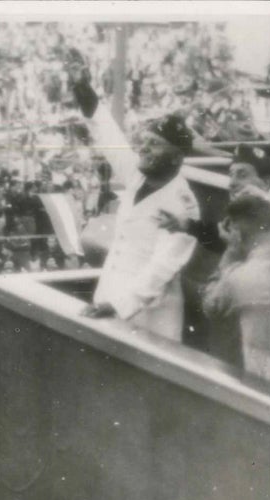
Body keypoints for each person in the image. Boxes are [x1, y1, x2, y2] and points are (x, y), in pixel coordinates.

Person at [69, 50, 200, 341]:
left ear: (176, 157)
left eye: (154, 144)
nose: (144, 148)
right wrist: (82, 87)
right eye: (145, 141)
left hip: (150, 316)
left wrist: (118, 305)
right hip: (109, 299)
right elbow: (108, 135)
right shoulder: (138, 175)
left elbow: (162, 266)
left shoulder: (182, 204)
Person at [202, 195, 270, 384]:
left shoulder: (243, 275)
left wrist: (230, 253)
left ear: (236, 231)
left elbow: (211, 304)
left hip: (266, 378)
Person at [157, 144, 270, 253]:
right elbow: (220, 239)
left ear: (266, 182)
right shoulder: (236, 218)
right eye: (231, 175)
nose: (232, 183)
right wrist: (186, 225)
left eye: (242, 175)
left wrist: (267, 201)